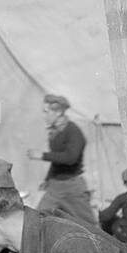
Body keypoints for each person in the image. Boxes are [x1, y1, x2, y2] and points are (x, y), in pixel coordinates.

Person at [27, 94, 95, 227]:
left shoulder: (73, 131)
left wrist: (42, 155)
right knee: (38, 221)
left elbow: (70, 158)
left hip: (72, 187)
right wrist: (48, 179)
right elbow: (57, 158)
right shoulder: (55, 132)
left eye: (46, 112)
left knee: (89, 226)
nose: (44, 116)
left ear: (58, 113)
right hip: (56, 186)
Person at [98, 169, 127, 245]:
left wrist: (97, 213)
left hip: (126, 233)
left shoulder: (123, 197)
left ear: (126, 182)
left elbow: (106, 216)